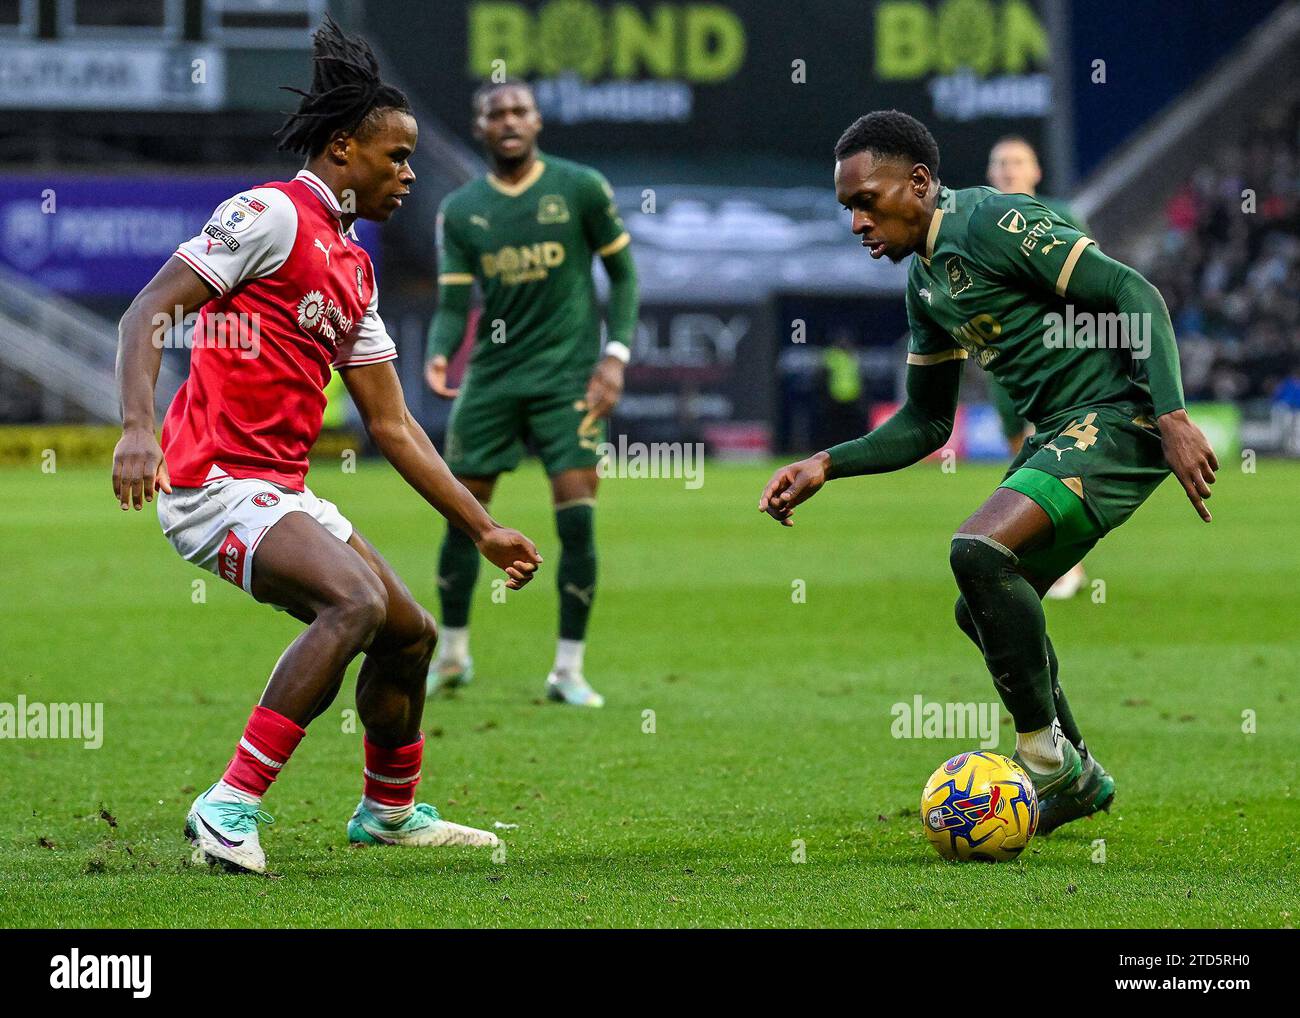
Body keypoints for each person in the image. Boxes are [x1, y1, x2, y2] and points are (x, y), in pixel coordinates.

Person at [111, 18, 541, 874]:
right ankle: (228, 806)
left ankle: (389, 812)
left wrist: (480, 527)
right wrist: (135, 426)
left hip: (278, 489)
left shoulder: (354, 267)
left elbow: (393, 424)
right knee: (355, 604)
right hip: (211, 483)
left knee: (409, 633)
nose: (410, 173)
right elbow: (147, 310)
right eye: (397, 156)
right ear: (344, 148)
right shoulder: (270, 213)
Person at [760, 110, 1217, 835]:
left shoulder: (993, 222)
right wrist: (825, 463)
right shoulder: (926, 287)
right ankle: (1078, 773)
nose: (857, 224)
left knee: (977, 550)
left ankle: (1043, 760)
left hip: (1117, 416)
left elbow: (1135, 293)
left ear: (917, 183)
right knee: (978, 604)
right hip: (1059, 436)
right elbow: (927, 423)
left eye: (865, 201)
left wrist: (1172, 416)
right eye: (847, 209)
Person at [424, 80, 639, 707]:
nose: (509, 121)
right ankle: (453, 655)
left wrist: (616, 356)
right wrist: (441, 350)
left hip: (568, 382)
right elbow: (453, 303)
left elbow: (623, 275)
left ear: (538, 121)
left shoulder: (579, 188)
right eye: (496, 113)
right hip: (491, 381)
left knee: (576, 521)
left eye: (519, 111)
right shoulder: (462, 210)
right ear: (480, 127)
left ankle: (568, 670)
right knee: (466, 518)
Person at [986, 135, 1095, 599]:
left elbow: (1093, 276)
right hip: (1004, 354)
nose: (1010, 169)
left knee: (1058, 453)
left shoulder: (1060, 216)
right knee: (1021, 449)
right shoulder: (977, 221)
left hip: (1057, 351)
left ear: (1036, 173)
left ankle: (1065, 561)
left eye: (1018, 161)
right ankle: (1040, 547)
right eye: (1001, 162)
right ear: (991, 174)